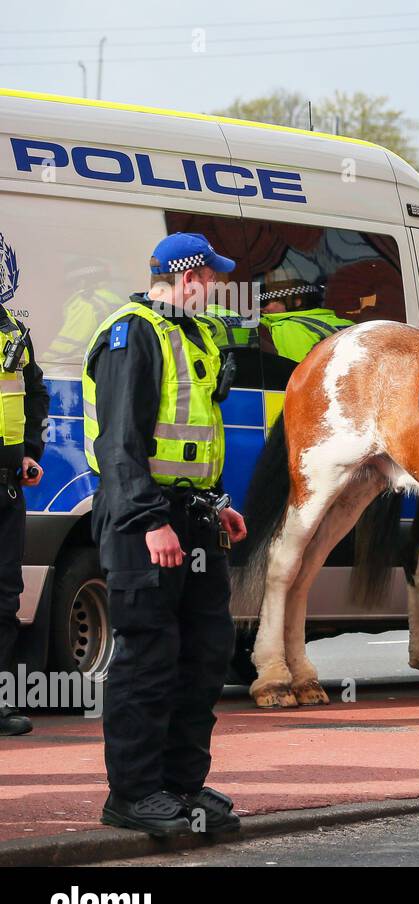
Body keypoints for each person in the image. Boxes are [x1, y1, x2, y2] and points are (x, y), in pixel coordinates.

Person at [82, 232, 248, 836]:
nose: (219, 289)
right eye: (213, 277)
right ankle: (132, 793)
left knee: (203, 653)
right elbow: (119, 443)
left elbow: (193, 436)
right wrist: (150, 519)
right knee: (148, 656)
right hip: (143, 519)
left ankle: (180, 787)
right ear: (189, 278)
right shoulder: (132, 335)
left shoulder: (191, 332)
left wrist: (217, 502)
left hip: (194, 515)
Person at [0, 302, 48, 736]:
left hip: (6, 487)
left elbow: (36, 393)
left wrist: (31, 449)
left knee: (4, 598)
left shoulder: (14, 329)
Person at [256, 280, 353, 363]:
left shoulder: (289, 326)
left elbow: (296, 370)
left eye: (264, 303)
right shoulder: (343, 322)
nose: (260, 308)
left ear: (296, 302)